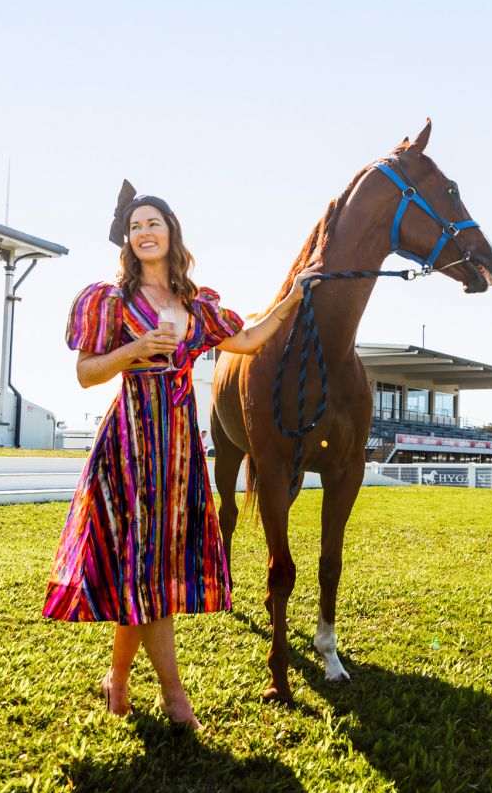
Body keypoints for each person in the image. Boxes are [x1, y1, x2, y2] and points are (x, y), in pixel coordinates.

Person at [43, 180, 321, 729]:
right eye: (135, 226)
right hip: (128, 445)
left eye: (154, 223)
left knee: (144, 574)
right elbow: (84, 375)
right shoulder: (111, 300)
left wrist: (290, 298)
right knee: (144, 572)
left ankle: (117, 681)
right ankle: (176, 698)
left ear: (171, 234)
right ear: (128, 240)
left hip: (178, 451)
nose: (144, 232)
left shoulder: (195, 305)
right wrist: (135, 349)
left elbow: (250, 339)